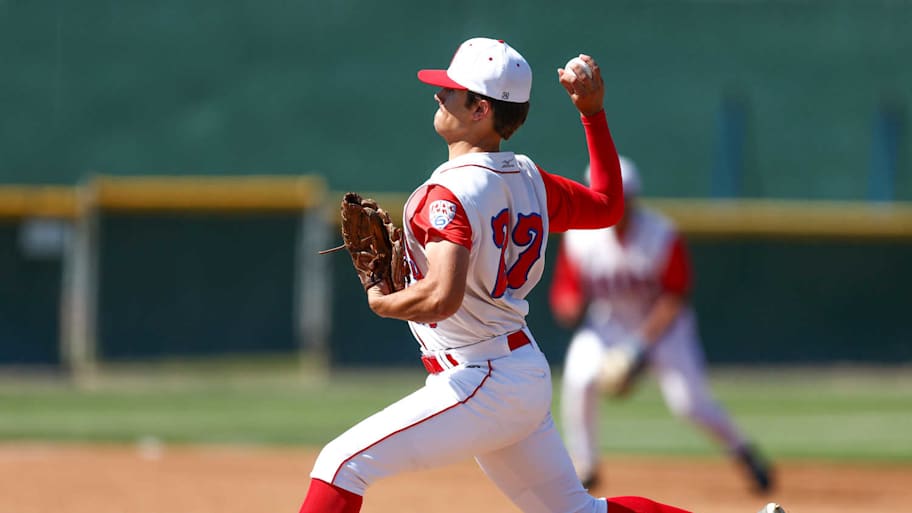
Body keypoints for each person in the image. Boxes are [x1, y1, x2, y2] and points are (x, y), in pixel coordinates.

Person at [298, 37, 777, 513]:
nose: (439, 95)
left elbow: (443, 298)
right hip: (516, 369)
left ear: (481, 108)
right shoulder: (528, 178)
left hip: (479, 376)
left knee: (341, 464)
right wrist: (592, 114)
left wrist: (383, 301)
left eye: (451, 89)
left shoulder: (444, 194)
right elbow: (609, 205)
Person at [549, 156, 775, 495]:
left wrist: (638, 347)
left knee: (690, 404)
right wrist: (569, 306)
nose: (617, 203)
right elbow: (566, 292)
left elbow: (675, 295)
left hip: (664, 330)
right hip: (609, 324)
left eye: (623, 195)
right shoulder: (580, 237)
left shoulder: (661, 233)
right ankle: (586, 465)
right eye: (608, 193)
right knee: (579, 377)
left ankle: (743, 451)